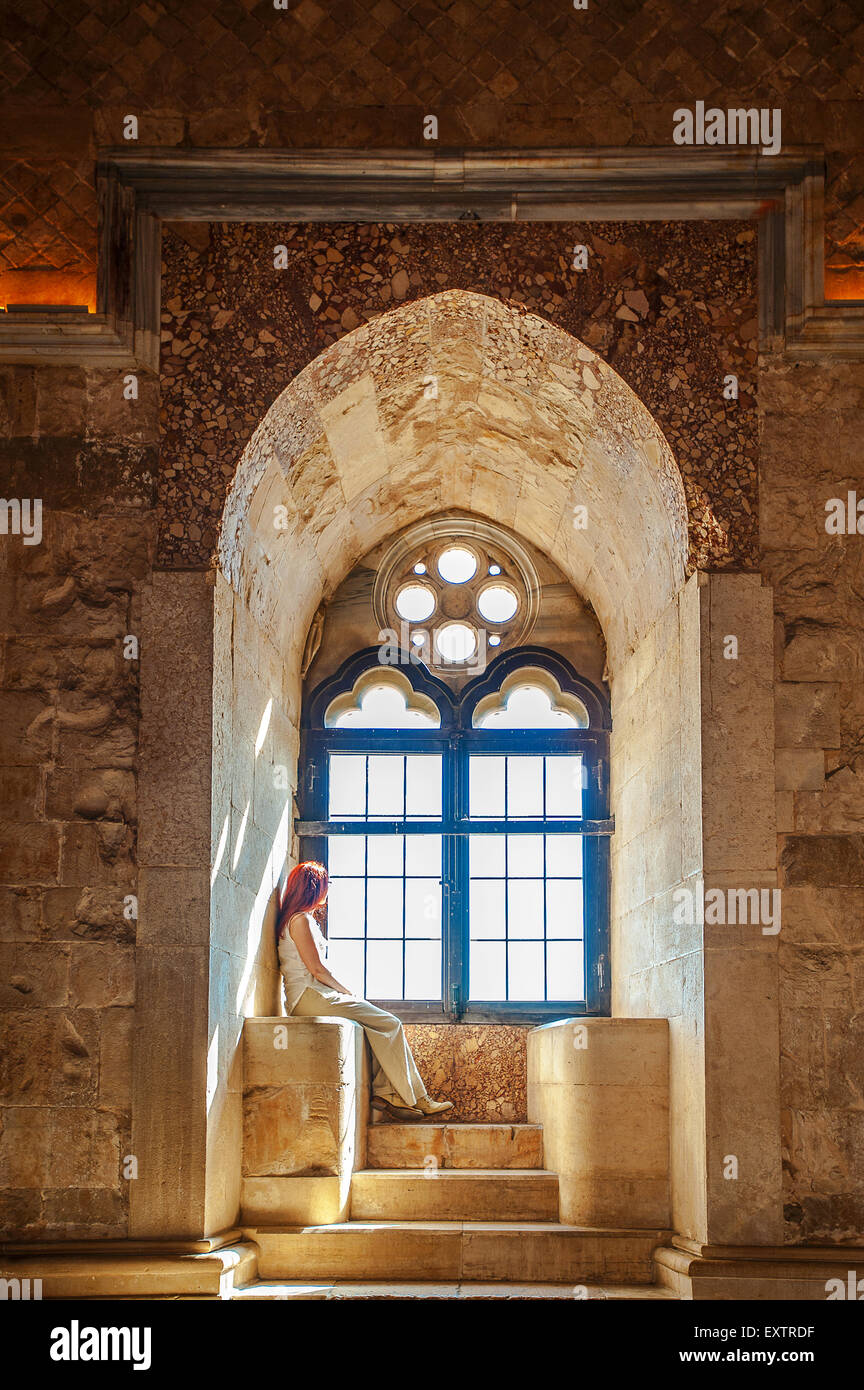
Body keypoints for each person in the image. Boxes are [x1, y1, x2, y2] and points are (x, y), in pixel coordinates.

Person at [276, 860, 454, 1122]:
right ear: (315, 888)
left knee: (376, 1026)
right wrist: (349, 993)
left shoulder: (299, 919)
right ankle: (416, 1098)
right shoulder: (300, 920)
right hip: (309, 996)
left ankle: (388, 1093)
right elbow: (317, 970)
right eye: (327, 884)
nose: (329, 889)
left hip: (310, 996)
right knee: (390, 1022)